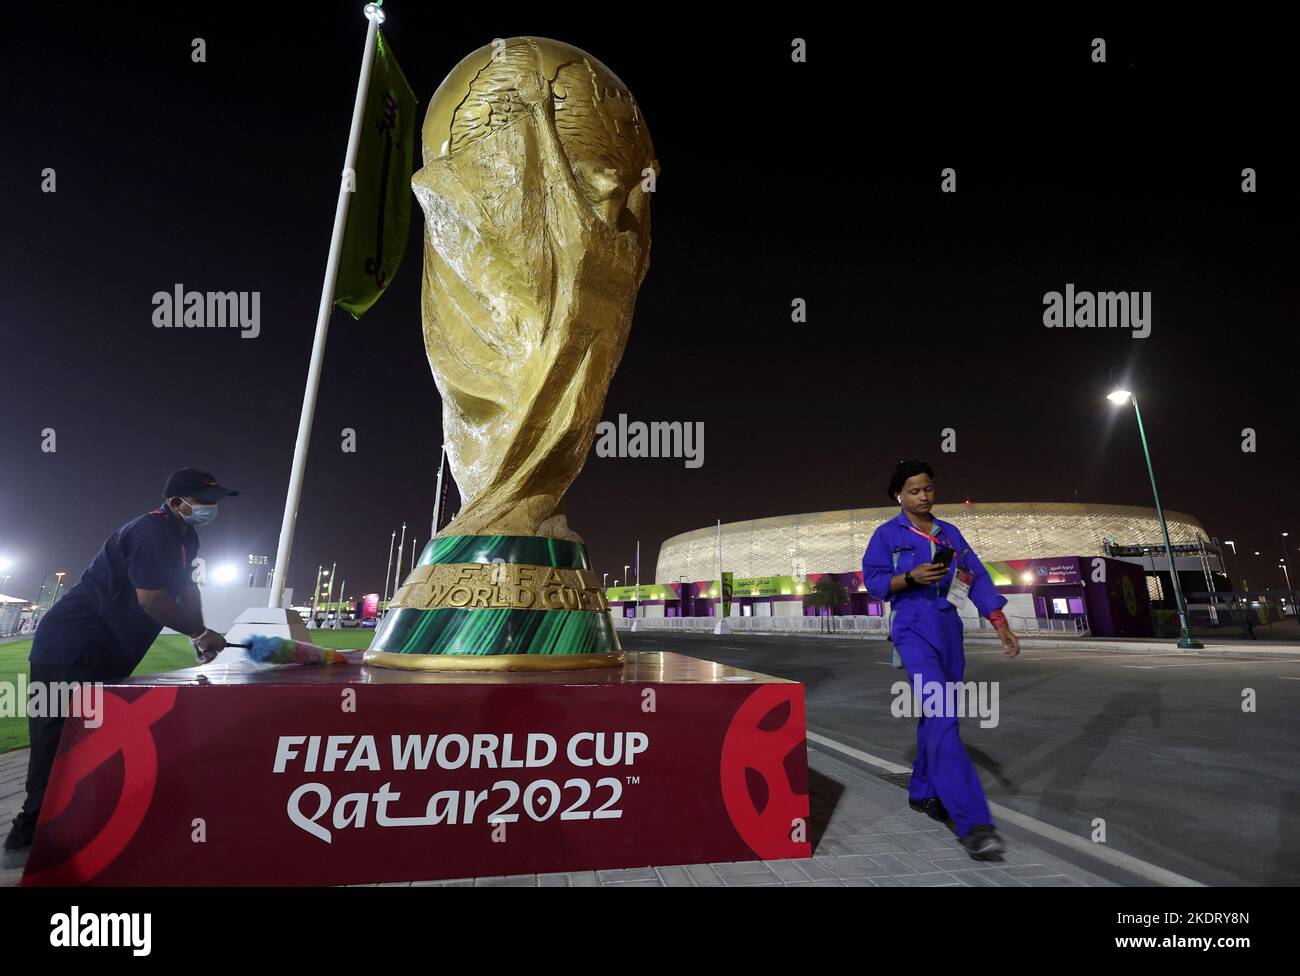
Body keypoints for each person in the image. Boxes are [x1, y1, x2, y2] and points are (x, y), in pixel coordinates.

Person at [1, 468, 237, 868]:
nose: (210, 508)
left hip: (103, 652)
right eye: (203, 501)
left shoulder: (185, 536)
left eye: (214, 501)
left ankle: (80, 829)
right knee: (56, 748)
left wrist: (197, 636)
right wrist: (198, 631)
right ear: (177, 501)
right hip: (69, 649)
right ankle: (25, 844)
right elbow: (152, 601)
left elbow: (186, 588)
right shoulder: (151, 532)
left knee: (93, 746)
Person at [862, 460, 1020, 859]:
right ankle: (974, 824)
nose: (923, 496)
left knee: (936, 716)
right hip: (913, 629)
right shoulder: (887, 535)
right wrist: (911, 577)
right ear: (899, 495)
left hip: (949, 630)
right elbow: (875, 582)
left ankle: (921, 790)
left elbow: (977, 576)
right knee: (943, 714)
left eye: (928, 488)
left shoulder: (950, 534)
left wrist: (998, 621)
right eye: (914, 490)